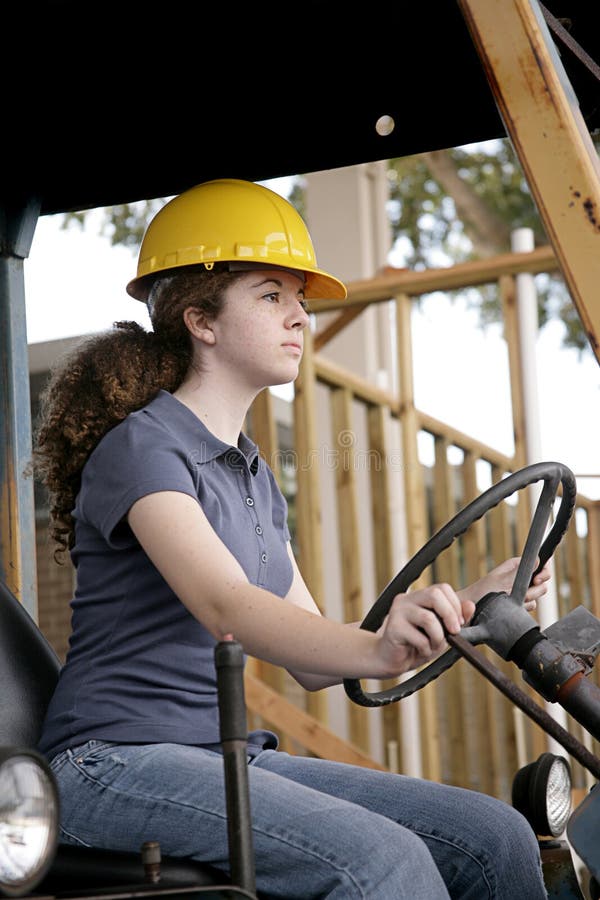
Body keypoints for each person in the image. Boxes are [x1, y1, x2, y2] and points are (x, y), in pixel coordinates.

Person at [34, 178, 551, 899]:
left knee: (494, 836)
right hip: (108, 764)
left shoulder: (253, 474)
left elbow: (314, 658)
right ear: (201, 321)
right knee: (382, 860)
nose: (300, 316)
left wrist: (465, 606)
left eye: (300, 299)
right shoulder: (143, 447)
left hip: (218, 755)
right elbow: (226, 606)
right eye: (272, 294)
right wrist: (377, 648)